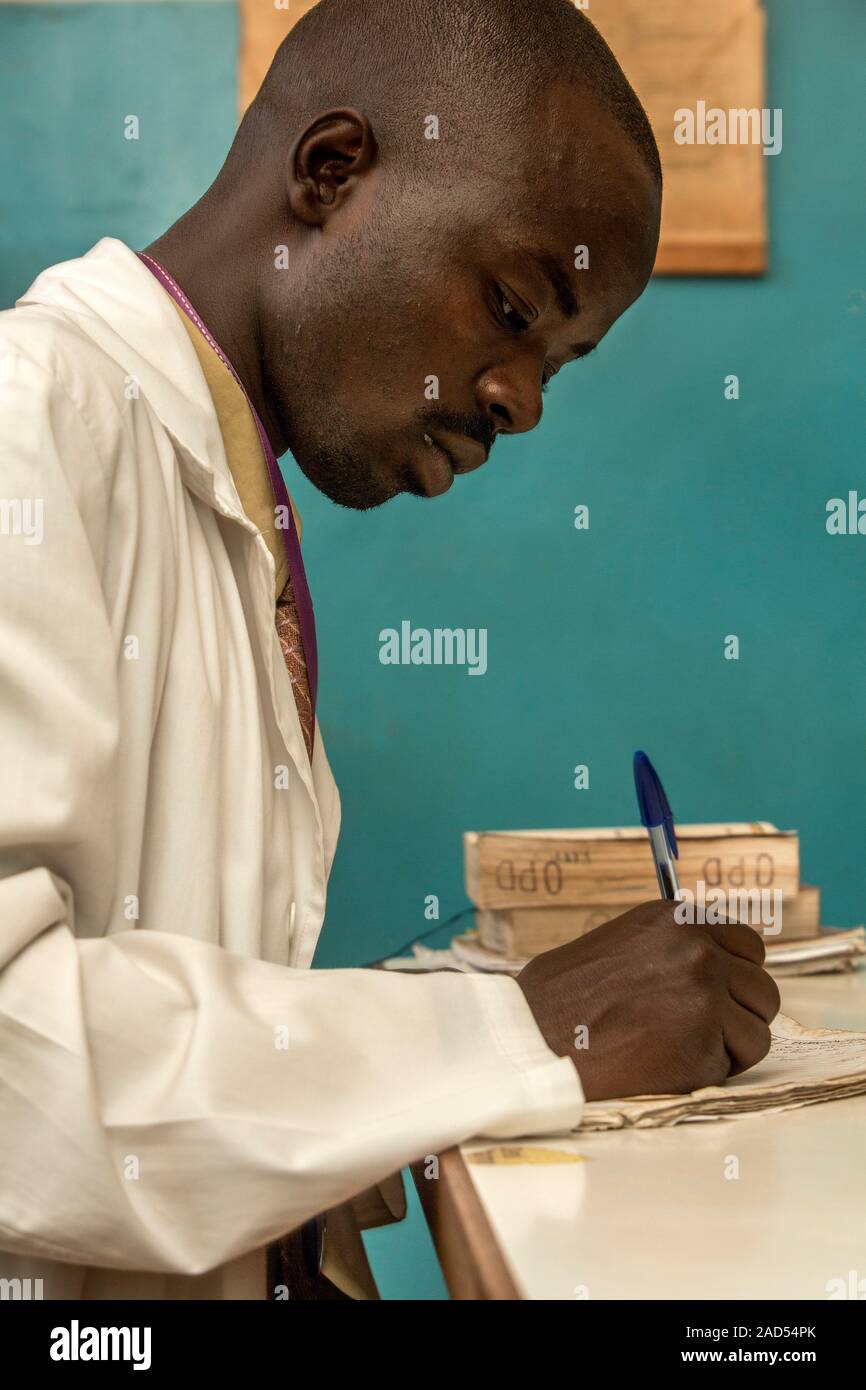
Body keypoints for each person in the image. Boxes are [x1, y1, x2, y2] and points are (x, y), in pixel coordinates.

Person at [0, 0, 779, 1300]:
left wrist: (349, 1148)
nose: (518, 401)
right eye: (514, 305)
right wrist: (523, 1027)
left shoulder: (229, 483)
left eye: (559, 365)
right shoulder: (31, 426)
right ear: (332, 172)